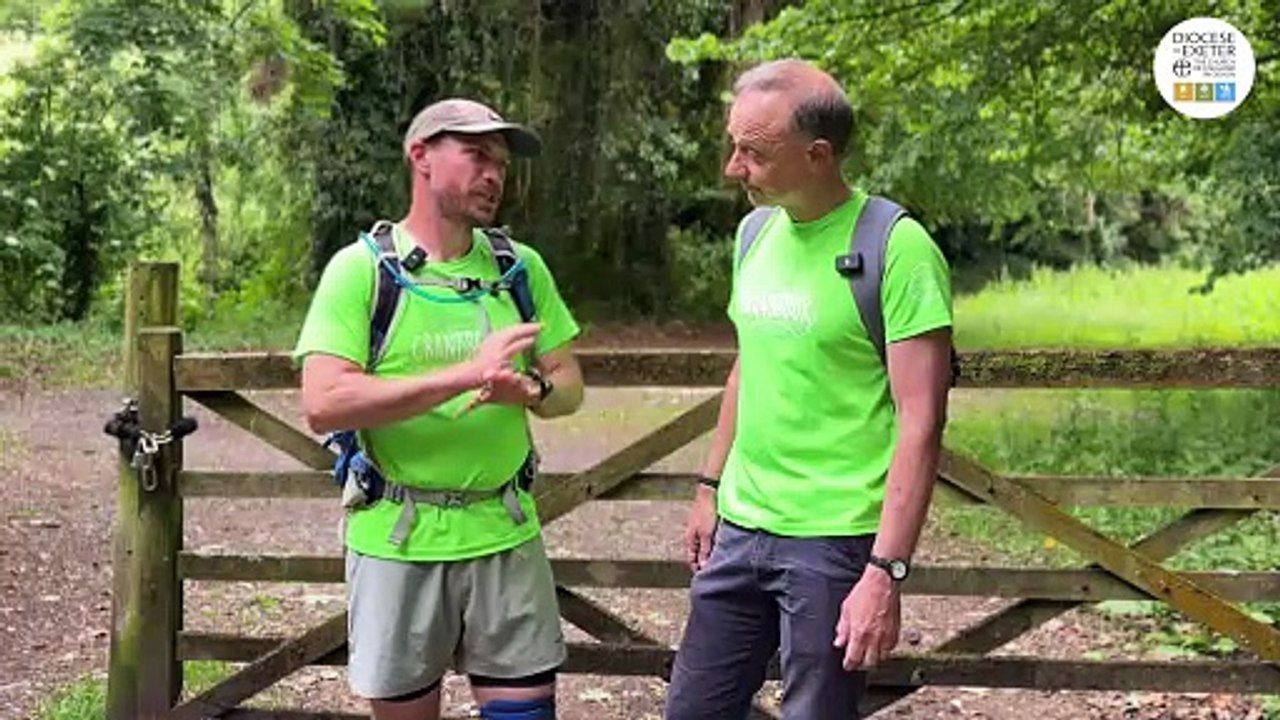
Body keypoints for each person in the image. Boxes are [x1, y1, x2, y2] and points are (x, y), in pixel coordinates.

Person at [664, 59, 955, 720]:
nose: (733, 168)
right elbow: (749, 365)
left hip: (833, 542)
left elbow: (922, 421)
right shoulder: (753, 233)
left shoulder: (897, 248)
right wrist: (710, 488)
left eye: (753, 153)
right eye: (733, 145)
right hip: (741, 527)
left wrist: (885, 572)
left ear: (818, 155)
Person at [294, 97, 584, 720]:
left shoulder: (518, 268)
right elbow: (324, 402)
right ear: (420, 156)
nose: (494, 175)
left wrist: (530, 391)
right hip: (398, 539)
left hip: (505, 532)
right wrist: (465, 375)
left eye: (502, 164)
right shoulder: (361, 272)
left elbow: (570, 384)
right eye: (478, 155)